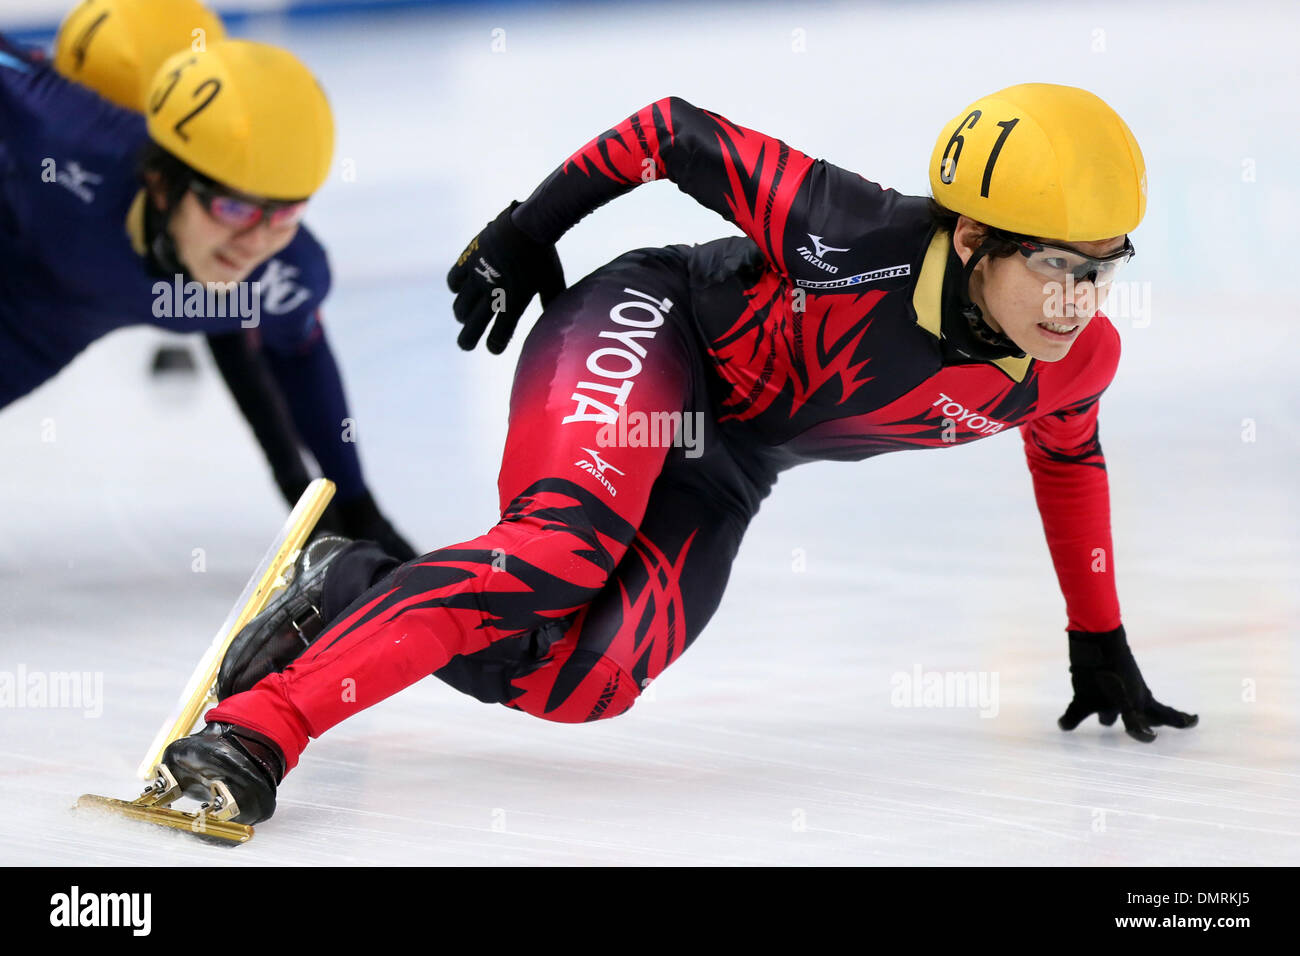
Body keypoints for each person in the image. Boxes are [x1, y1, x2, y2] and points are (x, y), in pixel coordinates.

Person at [163, 85, 1197, 825]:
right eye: (1059, 268)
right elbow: (671, 131)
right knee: (556, 554)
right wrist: (527, 232)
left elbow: (1069, 464)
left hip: (729, 457)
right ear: (972, 237)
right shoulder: (844, 233)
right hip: (649, 329)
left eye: (1104, 271)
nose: (1079, 303)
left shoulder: (1072, 361)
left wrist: (1095, 632)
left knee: (584, 678)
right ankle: (261, 727)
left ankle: (354, 588)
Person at [0, 8, 414, 556]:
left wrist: (359, 508)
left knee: (224, 298)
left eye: (286, 214)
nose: (256, 242)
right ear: (160, 178)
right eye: (234, 208)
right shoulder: (65, 135)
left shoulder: (280, 275)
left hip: (50, 315)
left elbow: (293, 355)